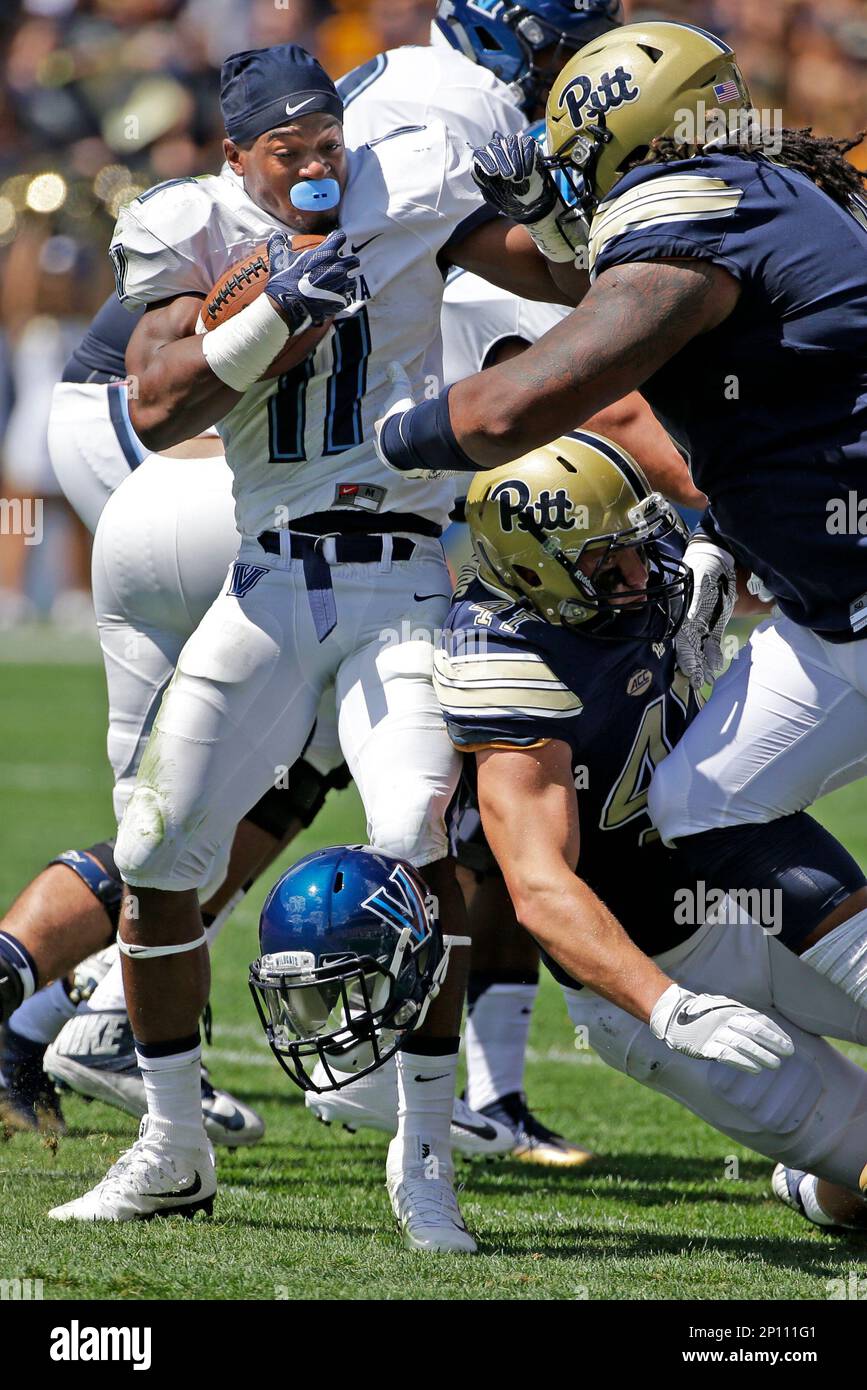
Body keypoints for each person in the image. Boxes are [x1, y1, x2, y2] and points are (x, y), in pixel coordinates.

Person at [35, 41, 589, 1247]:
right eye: (286, 151)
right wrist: (274, 314)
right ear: (238, 155)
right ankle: (172, 1145)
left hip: (404, 578)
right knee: (157, 849)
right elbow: (158, 403)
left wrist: (548, 202)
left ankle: (424, 1156)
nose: (316, 167)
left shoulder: (412, 182)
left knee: (417, 846)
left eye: (328, 142)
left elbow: (567, 282)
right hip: (268, 576)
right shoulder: (192, 225)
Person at [374, 18, 867, 1027]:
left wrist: (389, 436)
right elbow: (594, 283)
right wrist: (460, 229)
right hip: (828, 611)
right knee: (702, 805)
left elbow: (514, 407)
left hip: (851, 594)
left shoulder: (692, 210)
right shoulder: (757, 190)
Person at [434, 432, 867, 1231]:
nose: (640, 573)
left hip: (752, 891)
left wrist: (724, 556)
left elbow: (754, 560)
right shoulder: (503, 655)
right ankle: (819, 1189)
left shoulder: (638, 553)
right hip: (651, 977)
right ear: (534, 570)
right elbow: (538, 886)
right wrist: (667, 1007)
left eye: (639, 546)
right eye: (609, 564)